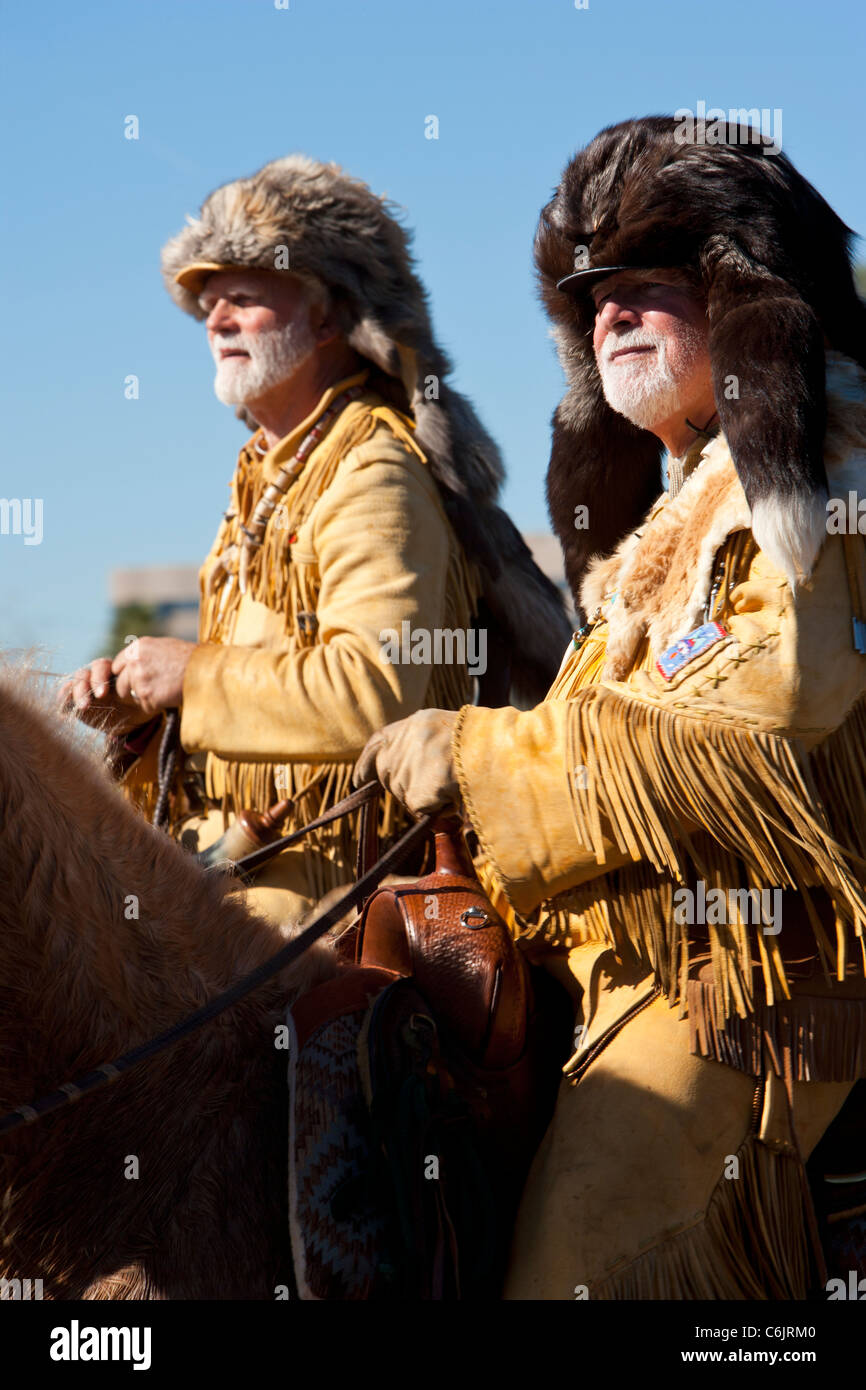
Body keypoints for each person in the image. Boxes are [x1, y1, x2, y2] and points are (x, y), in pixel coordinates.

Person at [356, 116, 866, 1298]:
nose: (609, 316)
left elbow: (769, 720)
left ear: (747, 302)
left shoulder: (826, 453)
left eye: (648, 286)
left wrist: (478, 756)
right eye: (592, 300)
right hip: (639, 953)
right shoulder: (677, 497)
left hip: (776, 984)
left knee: (578, 1258)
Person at [61, 155, 569, 929]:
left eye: (243, 296)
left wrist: (191, 675)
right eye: (207, 304)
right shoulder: (264, 474)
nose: (216, 320)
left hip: (336, 907)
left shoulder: (371, 465)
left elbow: (374, 693)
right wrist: (142, 715)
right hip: (240, 880)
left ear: (330, 318)